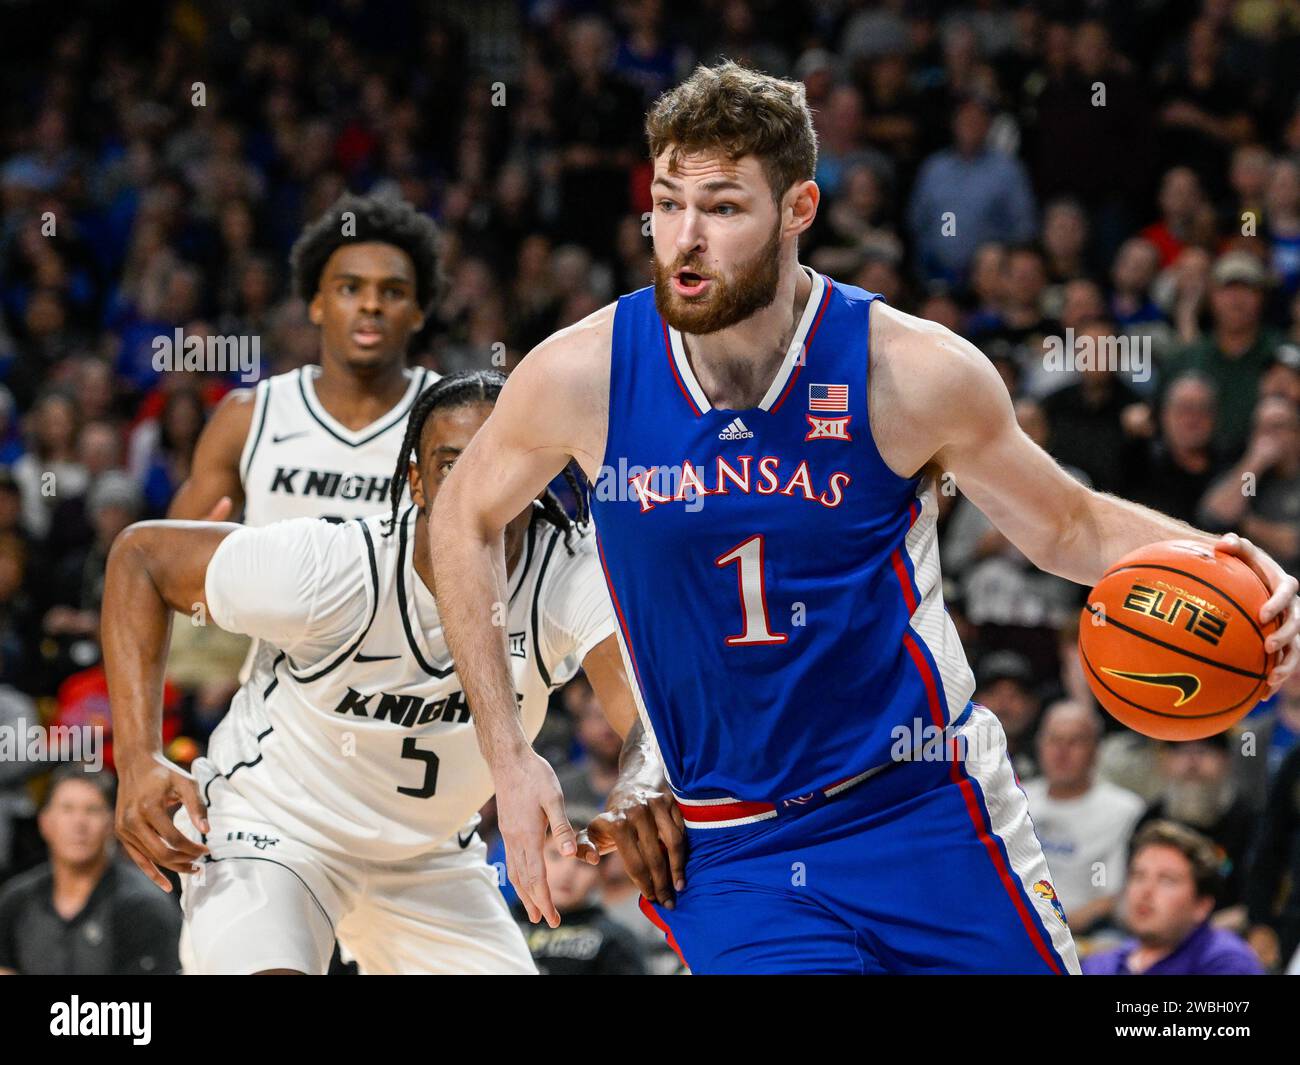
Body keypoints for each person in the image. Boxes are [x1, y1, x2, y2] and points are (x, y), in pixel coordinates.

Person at [428, 62, 1300, 975]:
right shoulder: (584, 373)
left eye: (723, 208)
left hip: (922, 804)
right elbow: (463, 518)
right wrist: (509, 751)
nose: (684, 237)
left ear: (800, 207)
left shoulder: (910, 371)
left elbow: (1069, 526)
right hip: (735, 844)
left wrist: (1228, 566)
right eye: (669, 201)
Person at [106, 372, 683, 974]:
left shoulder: (567, 567)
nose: (477, 486)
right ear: (417, 482)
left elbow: (648, 705)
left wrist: (641, 781)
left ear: (537, 475)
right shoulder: (335, 566)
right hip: (276, 829)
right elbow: (140, 559)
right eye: (452, 465)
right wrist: (137, 755)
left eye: (500, 462)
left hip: (430, 857)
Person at [166, 192, 440, 528]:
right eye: (350, 288)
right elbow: (171, 561)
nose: (371, 305)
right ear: (316, 305)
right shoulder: (249, 417)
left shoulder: (449, 419)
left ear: (417, 313)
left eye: (393, 292)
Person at [0, 766, 181, 975]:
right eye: (67, 809)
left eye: (92, 810)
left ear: (113, 823)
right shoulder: (15, 900)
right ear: (44, 822)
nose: (79, 824)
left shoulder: (145, 905)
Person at [1021, 701, 1145, 935]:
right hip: (1017, 927)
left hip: (1088, 934)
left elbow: (1111, 897)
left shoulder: (1124, 810)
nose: (1062, 752)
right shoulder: (1016, 798)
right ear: (1039, 745)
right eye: (1054, 740)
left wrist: (1051, 929)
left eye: (1075, 741)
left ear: (1096, 750)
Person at [1083, 821, 1265, 975]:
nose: (1145, 891)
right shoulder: (1100, 965)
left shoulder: (1226, 962)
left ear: (1201, 906)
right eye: (1138, 876)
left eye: (1167, 880)